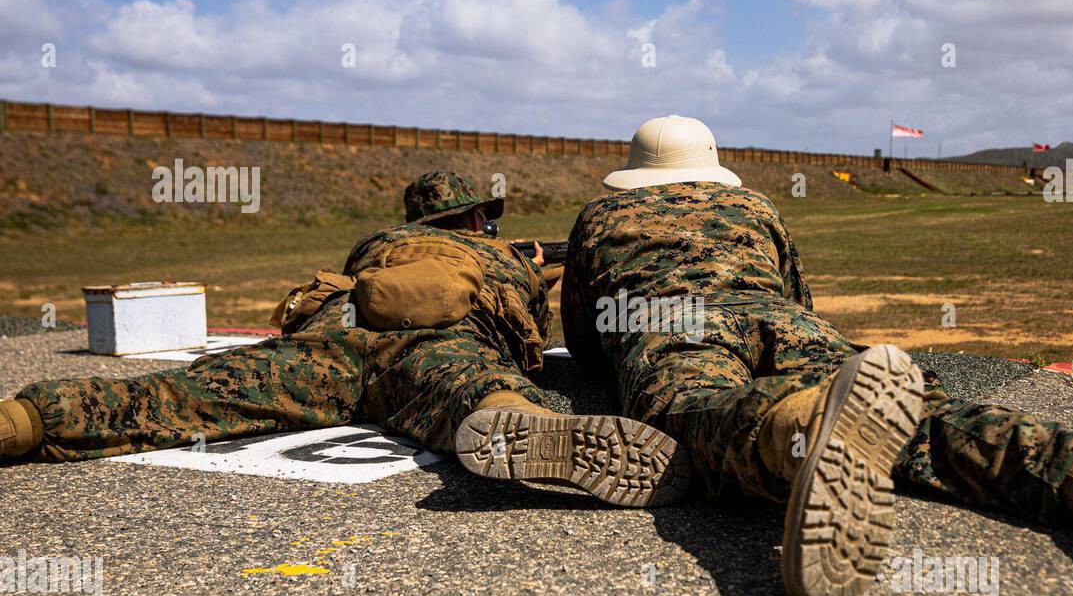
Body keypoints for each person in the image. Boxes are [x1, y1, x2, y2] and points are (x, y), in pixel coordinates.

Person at [561, 115, 1073, 596]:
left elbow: (589, 337)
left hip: (670, 325)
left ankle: (802, 426)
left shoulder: (599, 219)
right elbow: (798, 298)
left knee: (696, 420)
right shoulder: (757, 210)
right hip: (782, 319)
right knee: (930, 417)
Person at [0, 171, 690, 508]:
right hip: (433, 338)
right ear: (476, 217)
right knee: (474, 388)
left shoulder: (376, 246)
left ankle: (25, 421)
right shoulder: (494, 252)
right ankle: (524, 426)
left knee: (180, 396)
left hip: (340, 337)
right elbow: (578, 257)